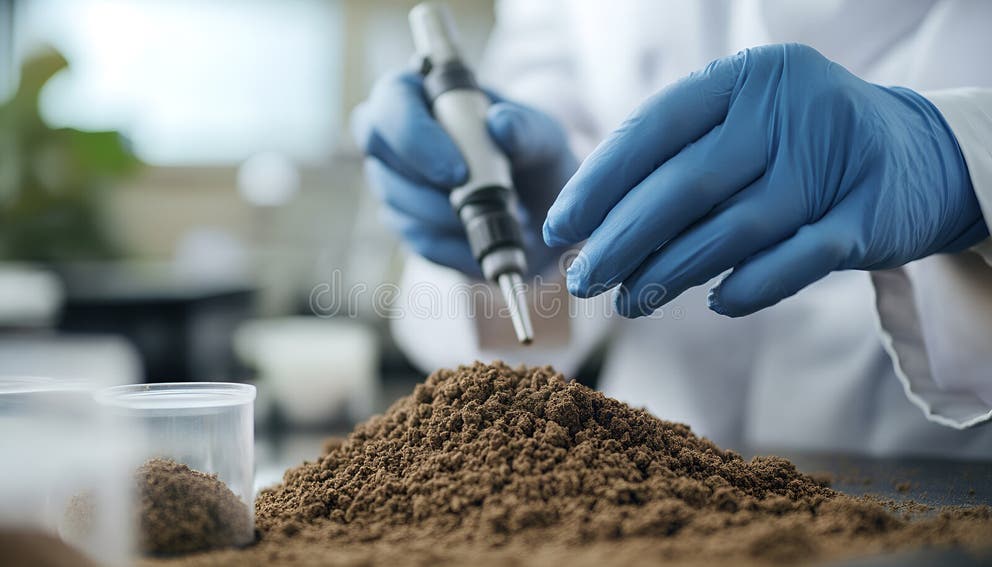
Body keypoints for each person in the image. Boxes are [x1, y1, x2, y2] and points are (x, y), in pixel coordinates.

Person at [351, 0, 992, 458]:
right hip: (644, 487)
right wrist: (524, 227)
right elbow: (530, 324)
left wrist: (958, 160)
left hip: (941, 477)